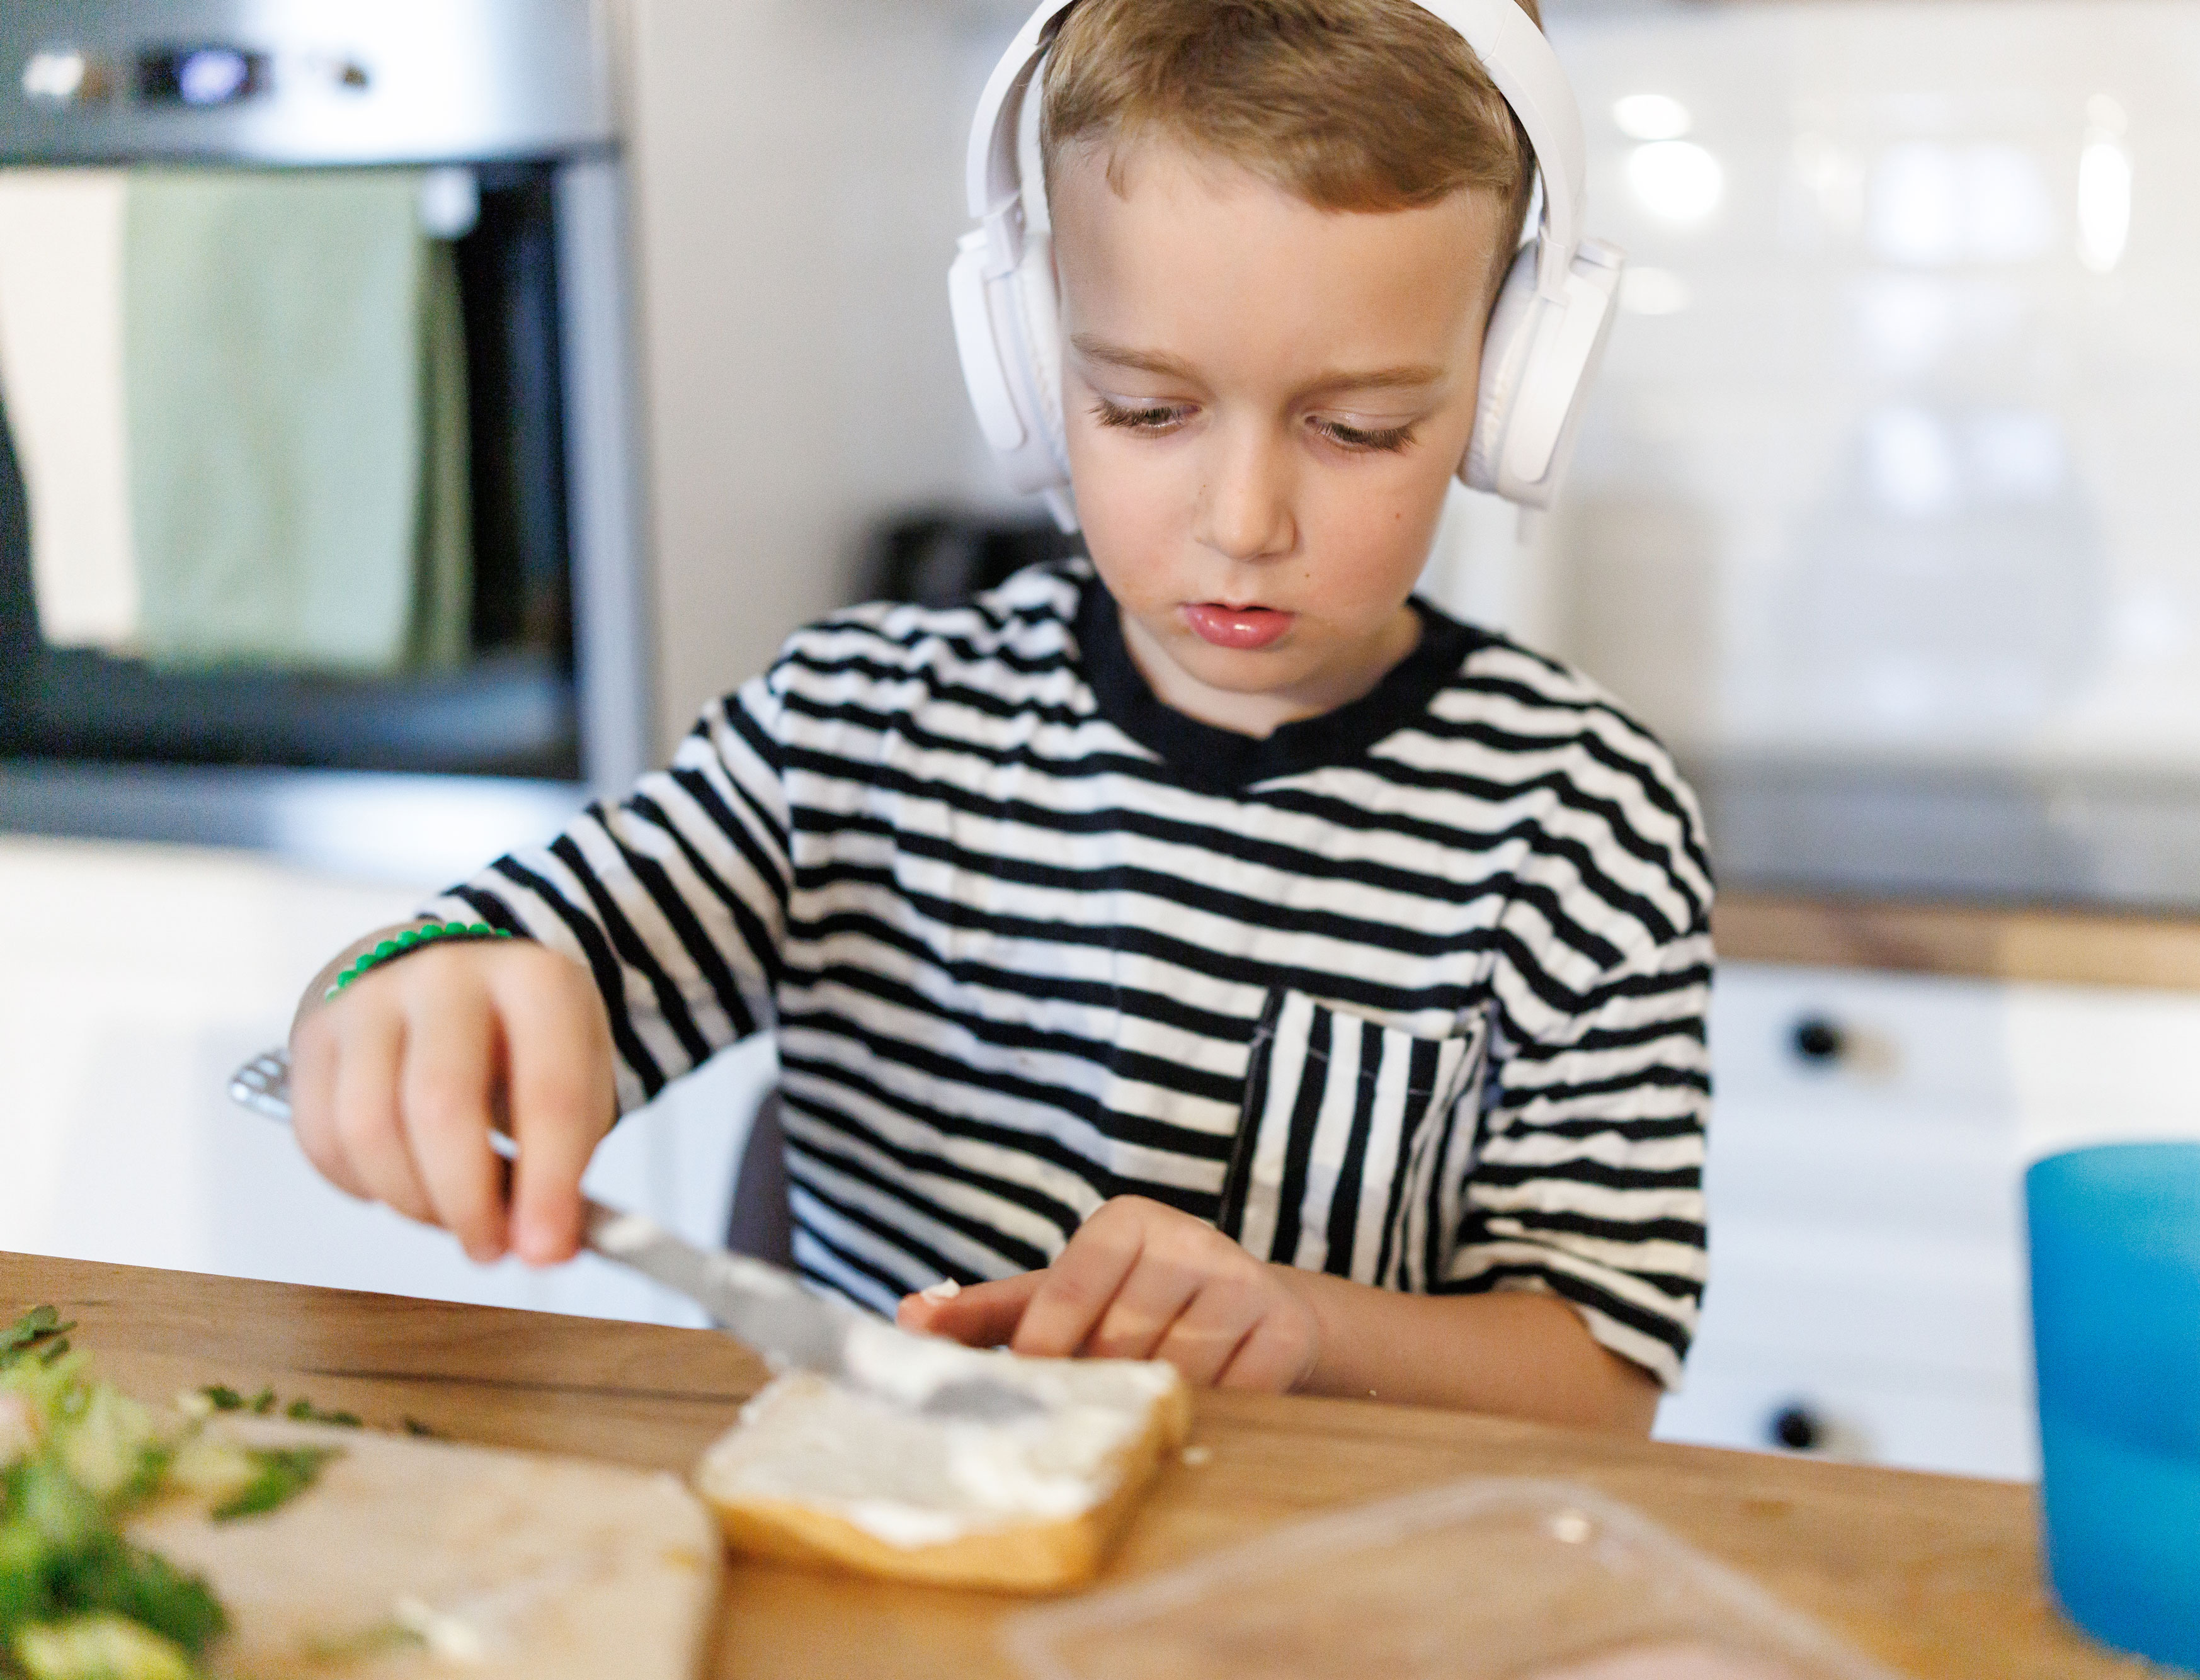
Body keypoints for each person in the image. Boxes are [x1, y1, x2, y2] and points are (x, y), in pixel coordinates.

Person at [283, 0, 1711, 1434]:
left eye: (1357, 429)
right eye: (1145, 409)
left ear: (1511, 386)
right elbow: (504, 941)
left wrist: (1299, 1319)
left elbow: (1598, 1374)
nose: (1241, 521)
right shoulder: (855, 731)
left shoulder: (1584, 822)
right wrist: (406, 978)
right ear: (1030, 367)